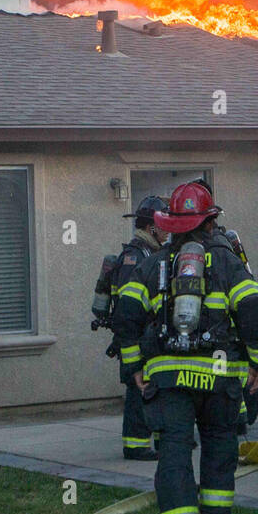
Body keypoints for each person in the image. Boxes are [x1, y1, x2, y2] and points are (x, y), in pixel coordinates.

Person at [115, 181, 258, 514]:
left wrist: (134, 365)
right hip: (219, 378)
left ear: (169, 225)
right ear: (209, 223)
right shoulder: (227, 263)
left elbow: (125, 316)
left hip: (168, 378)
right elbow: (254, 309)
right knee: (220, 446)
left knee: (174, 451)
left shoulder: (153, 265)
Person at [105, 194, 166, 460]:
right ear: (152, 226)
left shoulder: (150, 253)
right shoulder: (134, 257)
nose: (167, 230)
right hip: (136, 335)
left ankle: (165, 439)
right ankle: (136, 445)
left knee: (154, 385)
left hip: (149, 333)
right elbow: (129, 308)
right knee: (137, 386)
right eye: (163, 224)